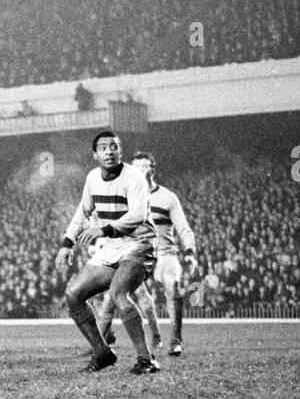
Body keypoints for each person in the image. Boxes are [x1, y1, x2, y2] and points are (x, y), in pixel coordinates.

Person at [54, 131, 158, 374]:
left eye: (114, 147)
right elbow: (83, 211)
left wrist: (104, 230)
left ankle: (146, 359)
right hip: (111, 247)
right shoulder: (93, 178)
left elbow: (138, 215)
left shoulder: (134, 177)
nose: (109, 151)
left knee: (119, 293)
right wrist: (67, 243)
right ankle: (102, 352)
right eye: (103, 148)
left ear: (120, 152)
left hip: (139, 243)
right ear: (95, 154)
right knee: (73, 294)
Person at [97, 152, 197, 356]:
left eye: (143, 166)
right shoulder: (125, 196)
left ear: (152, 169)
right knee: (112, 297)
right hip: (136, 252)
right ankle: (98, 345)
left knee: (172, 284)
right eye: (135, 167)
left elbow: (183, 228)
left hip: (164, 252)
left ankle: (175, 339)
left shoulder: (167, 198)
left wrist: (189, 252)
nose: (138, 171)